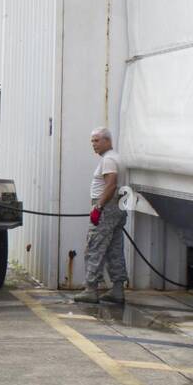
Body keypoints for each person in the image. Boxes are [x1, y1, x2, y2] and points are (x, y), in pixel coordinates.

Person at [73, 126, 128, 304]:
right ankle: (117, 289)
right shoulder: (116, 158)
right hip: (118, 208)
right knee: (114, 248)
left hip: (107, 208)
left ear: (107, 141)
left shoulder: (109, 160)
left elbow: (110, 184)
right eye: (92, 141)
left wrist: (98, 206)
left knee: (94, 246)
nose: (93, 144)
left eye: (97, 140)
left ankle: (91, 289)